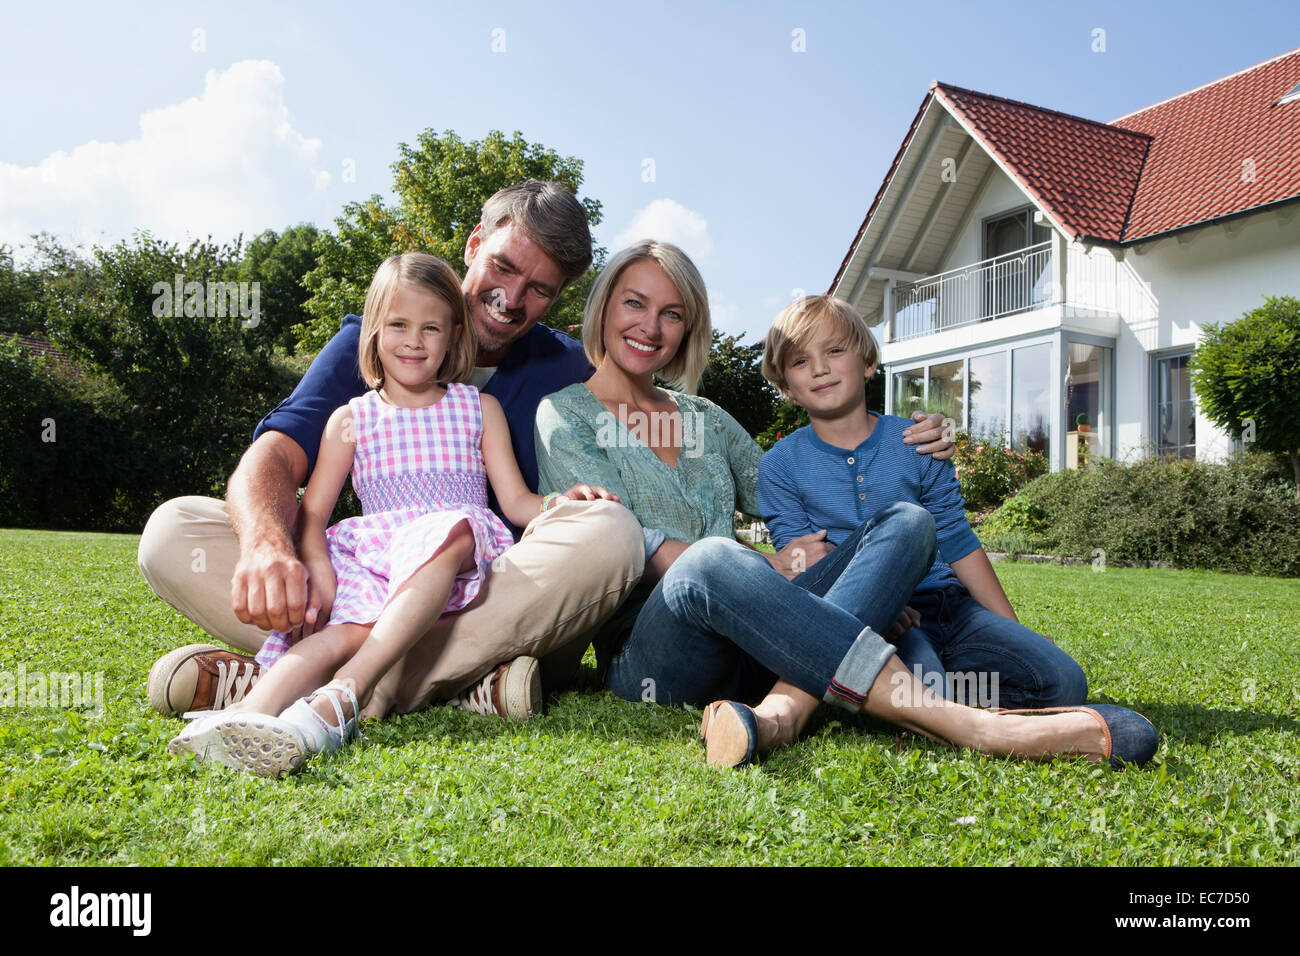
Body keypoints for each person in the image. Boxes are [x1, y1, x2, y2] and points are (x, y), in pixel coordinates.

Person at [534, 241, 1158, 771]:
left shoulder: (706, 419)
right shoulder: (565, 413)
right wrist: (763, 566)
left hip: (764, 638)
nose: (651, 326)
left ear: (687, 328)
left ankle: (784, 708)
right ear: (603, 308)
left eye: (672, 313)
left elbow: (804, 480)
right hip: (658, 651)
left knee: (907, 524)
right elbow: (617, 542)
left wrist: (924, 439)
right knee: (711, 562)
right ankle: (969, 726)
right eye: (635, 304)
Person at [139, 181, 650, 724]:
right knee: (174, 531)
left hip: (492, 590)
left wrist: (569, 503)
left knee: (610, 531)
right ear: (475, 244)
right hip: (367, 587)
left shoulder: (569, 369)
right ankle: (464, 684)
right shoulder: (365, 352)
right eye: (503, 267)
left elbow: (644, 440)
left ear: (558, 296)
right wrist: (269, 546)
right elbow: (276, 458)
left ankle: (305, 681)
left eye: (540, 288)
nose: (513, 299)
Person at [748, 293, 1096, 748]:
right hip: (870, 619)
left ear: (868, 362)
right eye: (800, 361)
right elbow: (807, 566)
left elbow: (957, 539)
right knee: (929, 693)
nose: (820, 368)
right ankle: (924, 691)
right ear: (788, 387)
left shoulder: (918, 441)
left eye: (834, 350)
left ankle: (909, 687)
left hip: (948, 604)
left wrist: (1016, 629)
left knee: (1064, 682)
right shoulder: (780, 465)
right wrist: (877, 606)